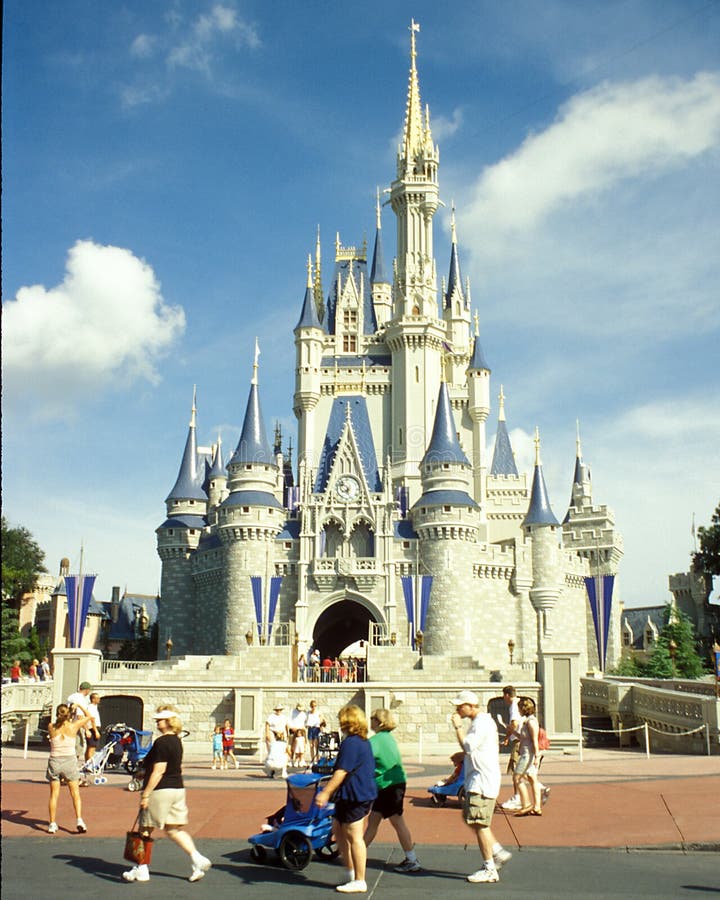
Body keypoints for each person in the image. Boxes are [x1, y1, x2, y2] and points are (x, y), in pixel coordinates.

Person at [122, 705, 211, 884]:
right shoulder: (177, 741)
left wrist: (146, 794)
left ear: (169, 721)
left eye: (160, 720)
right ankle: (197, 859)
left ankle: (141, 868)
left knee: (145, 829)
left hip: (160, 790)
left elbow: (159, 770)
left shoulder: (161, 742)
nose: (157, 722)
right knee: (173, 829)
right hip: (177, 788)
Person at [451, 689, 511, 884]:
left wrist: (458, 728)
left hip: (482, 781)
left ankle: (490, 867)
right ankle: (496, 852)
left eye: (460, 705)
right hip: (479, 779)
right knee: (472, 819)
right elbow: (475, 750)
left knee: (480, 824)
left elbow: (468, 745)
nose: (458, 709)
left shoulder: (481, 723)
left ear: (470, 705)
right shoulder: (483, 722)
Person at [316, 704, 377, 894]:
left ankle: (360, 879)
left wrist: (325, 793)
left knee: (354, 836)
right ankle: (351, 871)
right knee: (338, 829)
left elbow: (342, 771)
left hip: (355, 795)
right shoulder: (360, 741)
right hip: (350, 794)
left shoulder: (352, 743)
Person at [364, 708, 421, 873]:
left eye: (373, 718)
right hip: (391, 784)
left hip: (389, 786)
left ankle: (412, 859)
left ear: (379, 722)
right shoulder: (388, 738)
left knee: (397, 821)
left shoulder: (375, 741)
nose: (370, 720)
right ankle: (357, 853)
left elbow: (363, 758)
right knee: (373, 821)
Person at [46, 702, 93, 834]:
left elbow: (57, 723)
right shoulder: (73, 726)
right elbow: (89, 716)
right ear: (69, 715)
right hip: (69, 761)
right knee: (75, 794)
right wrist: (79, 706)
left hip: (55, 760)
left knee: (54, 795)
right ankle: (79, 819)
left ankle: (52, 823)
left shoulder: (51, 727)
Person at [514, 698, 543, 817]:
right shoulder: (527, 721)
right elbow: (523, 737)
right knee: (531, 779)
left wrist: (536, 757)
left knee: (517, 778)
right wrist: (512, 732)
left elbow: (534, 740)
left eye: (519, 708)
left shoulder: (531, 722)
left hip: (528, 754)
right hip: (526, 752)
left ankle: (526, 804)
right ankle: (537, 807)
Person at [85, 692, 102, 763]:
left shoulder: (95, 707)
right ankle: (90, 764)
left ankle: (87, 763)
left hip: (93, 728)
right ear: (93, 699)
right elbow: (92, 719)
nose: (99, 700)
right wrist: (96, 731)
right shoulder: (91, 707)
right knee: (92, 747)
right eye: (97, 698)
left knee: (90, 747)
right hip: (92, 728)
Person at [306, 699, 325, 763]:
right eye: (312, 706)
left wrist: (321, 725)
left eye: (314, 706)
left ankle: (317, 759)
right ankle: (312, 760)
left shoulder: (319, 713)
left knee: (316, 745)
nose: (313, 707)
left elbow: (322, 720)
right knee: (311, 745)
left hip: (316, 729)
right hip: (310, 729)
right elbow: (306, 720)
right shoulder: (308, 713)